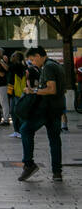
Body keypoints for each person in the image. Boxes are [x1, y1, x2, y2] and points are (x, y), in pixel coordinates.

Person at [19, 47, 65, 181]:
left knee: (25, 129)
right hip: (56, 108)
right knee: (55, 140)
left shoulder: (48, 67)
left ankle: (29, 164)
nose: (32, 63)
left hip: (46, 109)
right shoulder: (56, 65)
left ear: (39, 56)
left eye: (32, 60)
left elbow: (51, 89)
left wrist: (32, 91)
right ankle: (57, 172)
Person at [7, 51, 27, 138]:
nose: (11, 57)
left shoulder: (18, 65)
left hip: (17, 91)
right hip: (13, 91)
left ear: (17, 57)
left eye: (13, 56)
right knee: (12, 111)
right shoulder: (18, 65)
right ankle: (16, 131)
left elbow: (8, 68)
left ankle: (21, 131)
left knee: (18, 111)